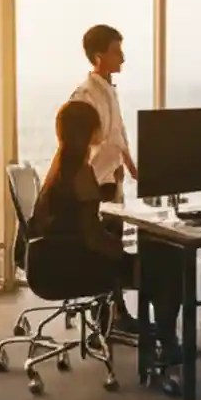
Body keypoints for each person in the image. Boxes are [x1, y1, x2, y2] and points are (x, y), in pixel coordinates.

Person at [29, 101, 137, 331]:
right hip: (71, 263)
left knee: (115, 233)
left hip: (49, 257)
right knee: (156, 270)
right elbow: (93, 237)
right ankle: (162, 342)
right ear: (89, 131)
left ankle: (108, 317)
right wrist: (124, 254)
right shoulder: (81, 172)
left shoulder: (59, 166)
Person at [70, 24, 137, 203]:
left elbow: (119, 132)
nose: (122, 58)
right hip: (96, 185)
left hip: (113, 181)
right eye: (116, 52)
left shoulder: (110, 91)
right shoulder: (85, 96)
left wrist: (132, 169)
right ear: (99, 57)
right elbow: (78, 146)